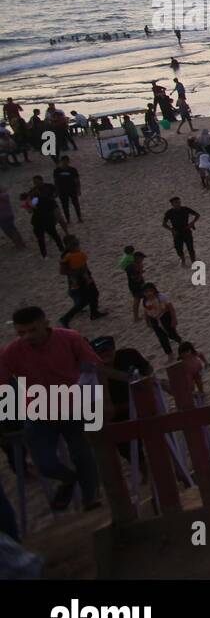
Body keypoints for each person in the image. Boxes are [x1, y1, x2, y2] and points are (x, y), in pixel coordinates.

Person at [0, 307, 101, 511]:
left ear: (45, 323)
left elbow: (93, 368)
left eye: (32, 330)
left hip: (73, 405)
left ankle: (91, 498)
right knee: (44, 462)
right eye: (21, 333)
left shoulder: (69, 338)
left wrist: (100, 402)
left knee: (82, 453)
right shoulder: (12, 351)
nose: (27, 336)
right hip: (38, 411)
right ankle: (68, 478)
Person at [57, 236, 105, 327]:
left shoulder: (76, 252)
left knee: (94, 294)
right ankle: (66, 318)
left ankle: (94, 313)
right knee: (83, 301)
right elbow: (63, 271)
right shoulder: (66, 255)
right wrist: (76, 272)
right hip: (79, 280)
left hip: (85, 277)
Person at [140, 284, 183, 359]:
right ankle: (169, 354)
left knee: (171, 332)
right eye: (146, 292)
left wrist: (174, 319)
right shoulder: (145, 301)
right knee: (161, 338)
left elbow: (171, 308)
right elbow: (146, 312)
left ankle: (180, 342)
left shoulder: (161, 297)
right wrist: (147, 322)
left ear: (154, 290)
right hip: (154, 320)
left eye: (150, 291)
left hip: (165, 316)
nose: (148, 293)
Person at [28, 175, 66, 258]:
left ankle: (46, 255)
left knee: (45, 238)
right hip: (45, 219)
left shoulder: (37, 199)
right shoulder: (44, 199)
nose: (36, 184)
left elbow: (31, 209)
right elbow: (31, 208)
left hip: (40, 220)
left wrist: (29, 200)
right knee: (53, 235)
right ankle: (60, 249)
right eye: (35, 183)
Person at [162, 196, 199, 265]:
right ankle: (183, 260)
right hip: (177, 233)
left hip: (186, 230)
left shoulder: (185, 209)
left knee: (190, 248)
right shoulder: (169, 212)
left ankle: (193, 262)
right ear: (172, 204)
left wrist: (192, 223)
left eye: (179, 202)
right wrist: (171, 230)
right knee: (178, 249)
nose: (178, 204)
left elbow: (197, 215)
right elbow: (164, 224)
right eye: (176, 202)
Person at [51, 154, 82, 222]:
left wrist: (78, 189)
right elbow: (55, 181)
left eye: (66, 161)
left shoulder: (72, 170)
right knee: (65, 206)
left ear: (68, 161)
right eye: (63, 161)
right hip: (62, 190)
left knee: (76, 204)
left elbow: (77, 180)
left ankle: (79, 217)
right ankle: (68, 219)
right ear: (61, 161)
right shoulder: (57, 171)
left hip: (72, 189)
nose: (65, 162)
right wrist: (56, 191)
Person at [0, 184, 25, 249]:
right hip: (9, 215)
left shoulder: (3, 196)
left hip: (3, 217)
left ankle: (18, 244)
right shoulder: (5, 195)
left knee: (9, 231)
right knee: (13, 230)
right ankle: (20, 243)